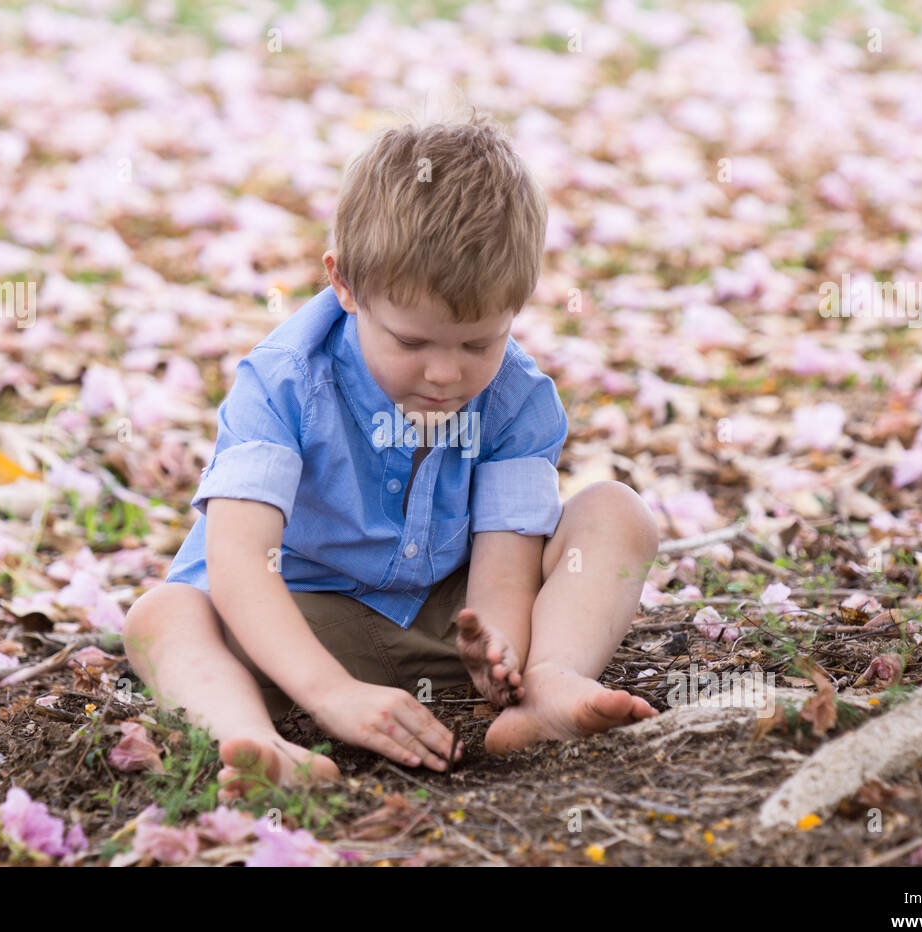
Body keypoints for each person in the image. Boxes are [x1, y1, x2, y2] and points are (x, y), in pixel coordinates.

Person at [123, 106, 659, 799]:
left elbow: (506, 563)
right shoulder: (285, 381)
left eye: (477, 344)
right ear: (345, 284)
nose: (445, 374)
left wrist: (499, 644)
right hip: (294, 630)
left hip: (445, 628)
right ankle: (252, 740)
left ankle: (549, 684)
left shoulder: (518, 397)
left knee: (616, 512)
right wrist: (331, 694)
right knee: (161, 617)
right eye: (411, 343)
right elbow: (237, 563)